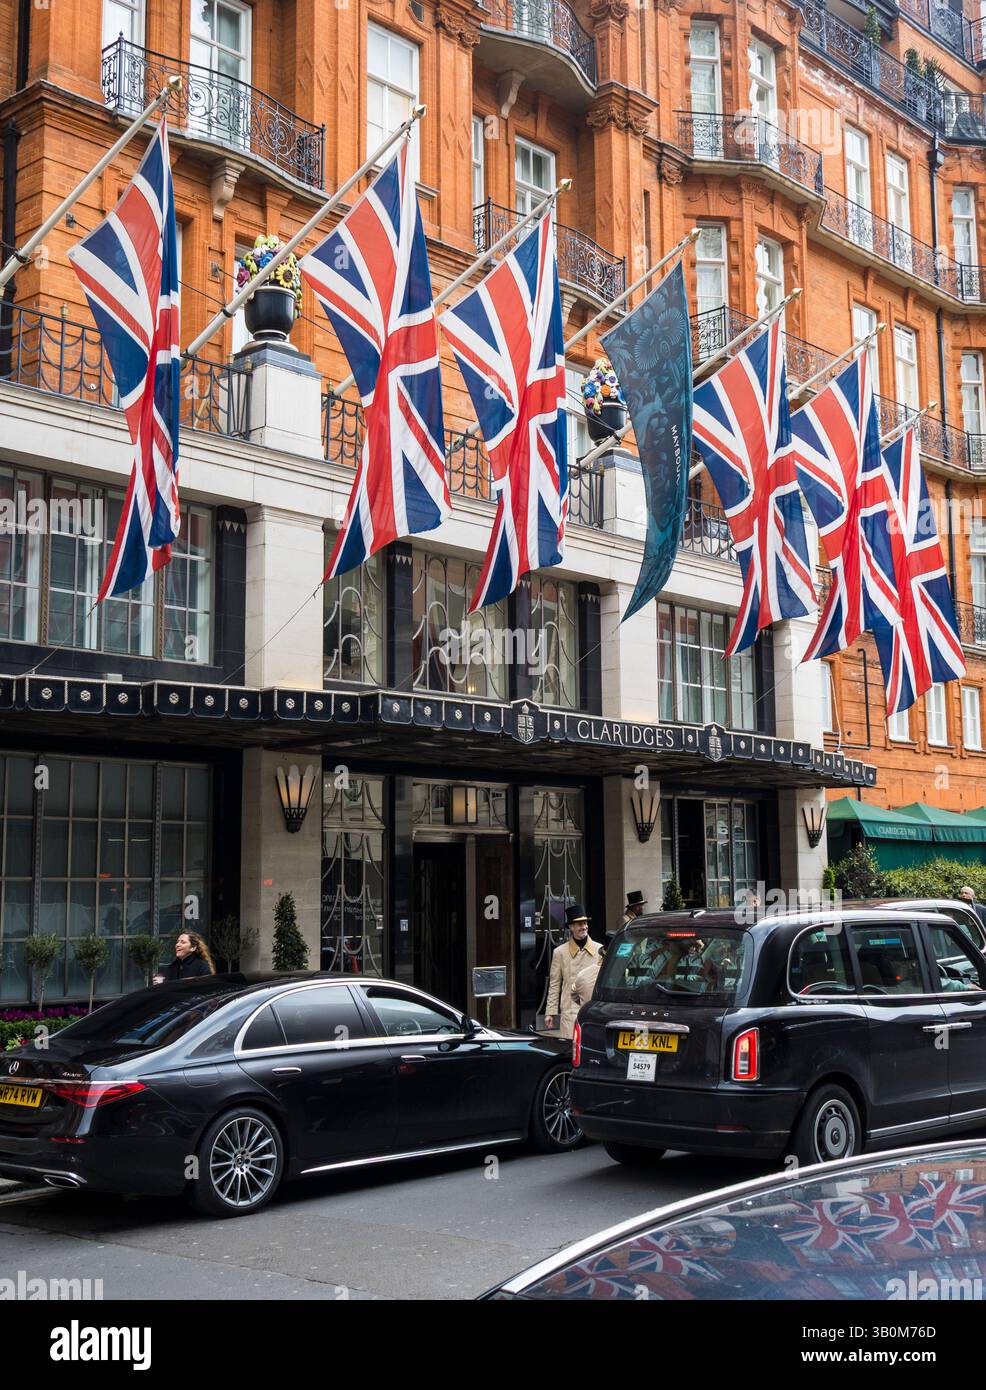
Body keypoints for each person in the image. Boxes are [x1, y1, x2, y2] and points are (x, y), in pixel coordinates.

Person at [545, 904, 603, 1040]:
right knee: (570, 1051)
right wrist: (550, 1012)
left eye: (585, 923)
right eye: (579, 924)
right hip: (569, 1013)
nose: (584, 927)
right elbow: (554, 984)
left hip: (592, 1012)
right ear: (571, 927)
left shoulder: (600, 950)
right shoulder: (560, 952)